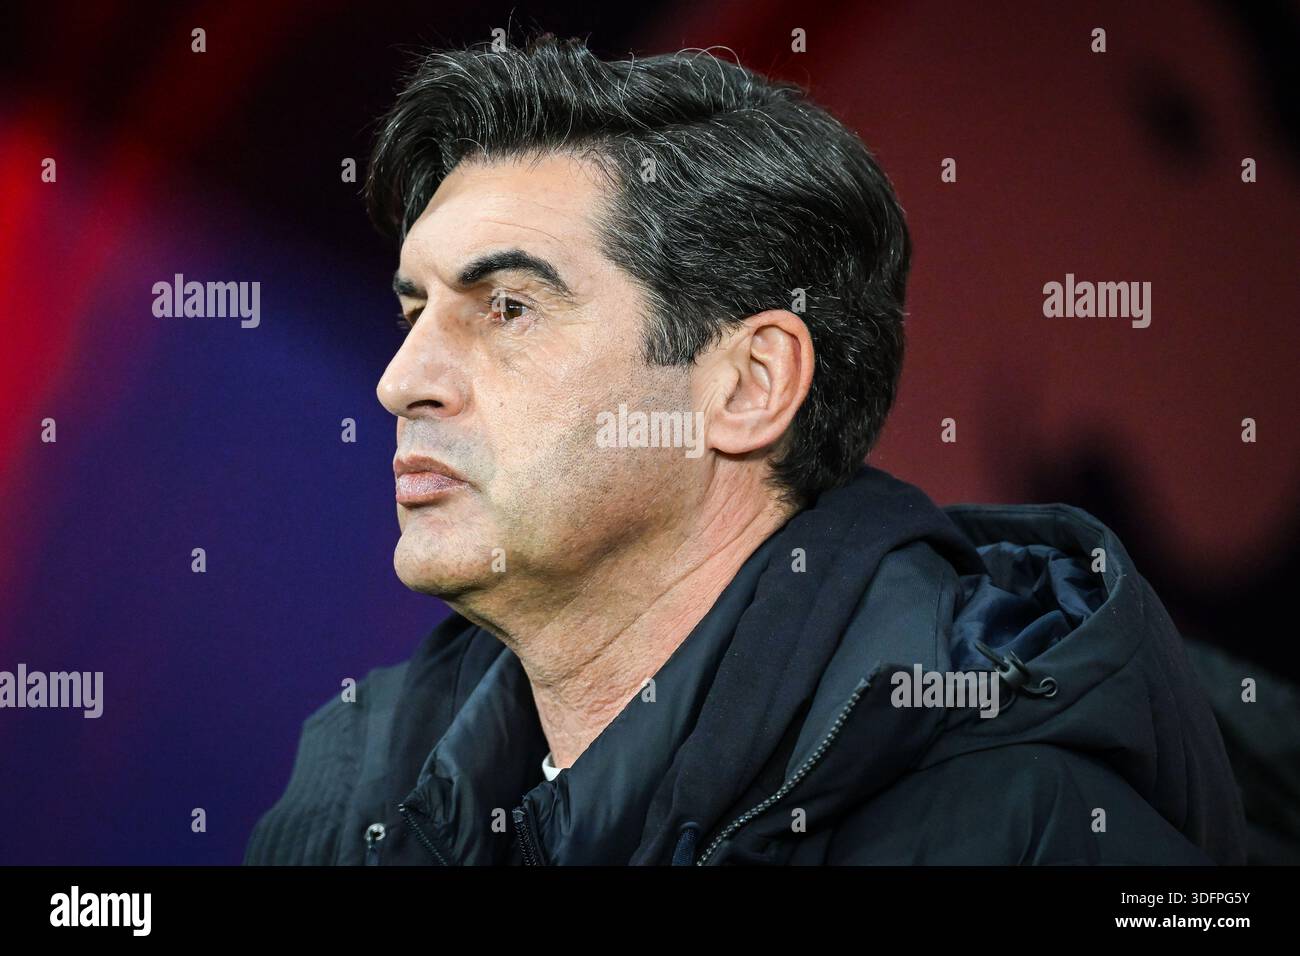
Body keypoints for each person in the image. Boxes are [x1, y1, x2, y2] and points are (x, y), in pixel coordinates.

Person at [243, 34, 1246, 865]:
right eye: (414, 309)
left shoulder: (1022, 828)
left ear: (747, 384)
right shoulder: (350, 803)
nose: (400, 379)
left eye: (506, 306)